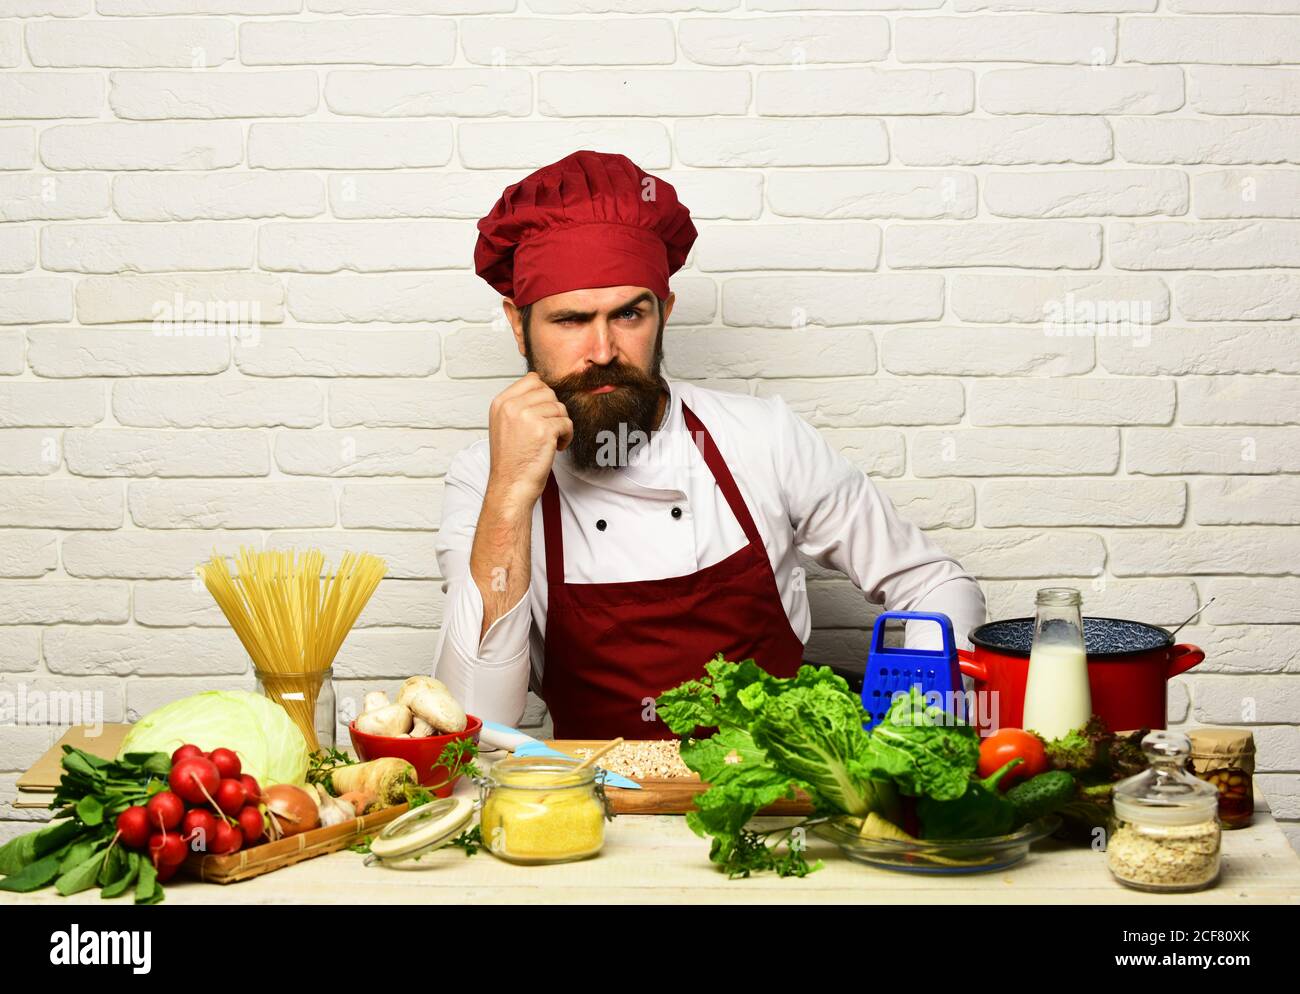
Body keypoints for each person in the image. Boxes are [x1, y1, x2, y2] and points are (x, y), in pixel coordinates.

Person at [433, 149, 985, 739]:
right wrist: (512, 493)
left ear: (664, 312)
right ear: (518, 324)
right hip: (594, 814)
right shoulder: (485, 479)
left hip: (776, 803)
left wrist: (921, 724)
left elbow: (933, 582)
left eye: (629, 314)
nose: (601, 351)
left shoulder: (761, 438)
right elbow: (476, 724)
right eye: (570, 320)